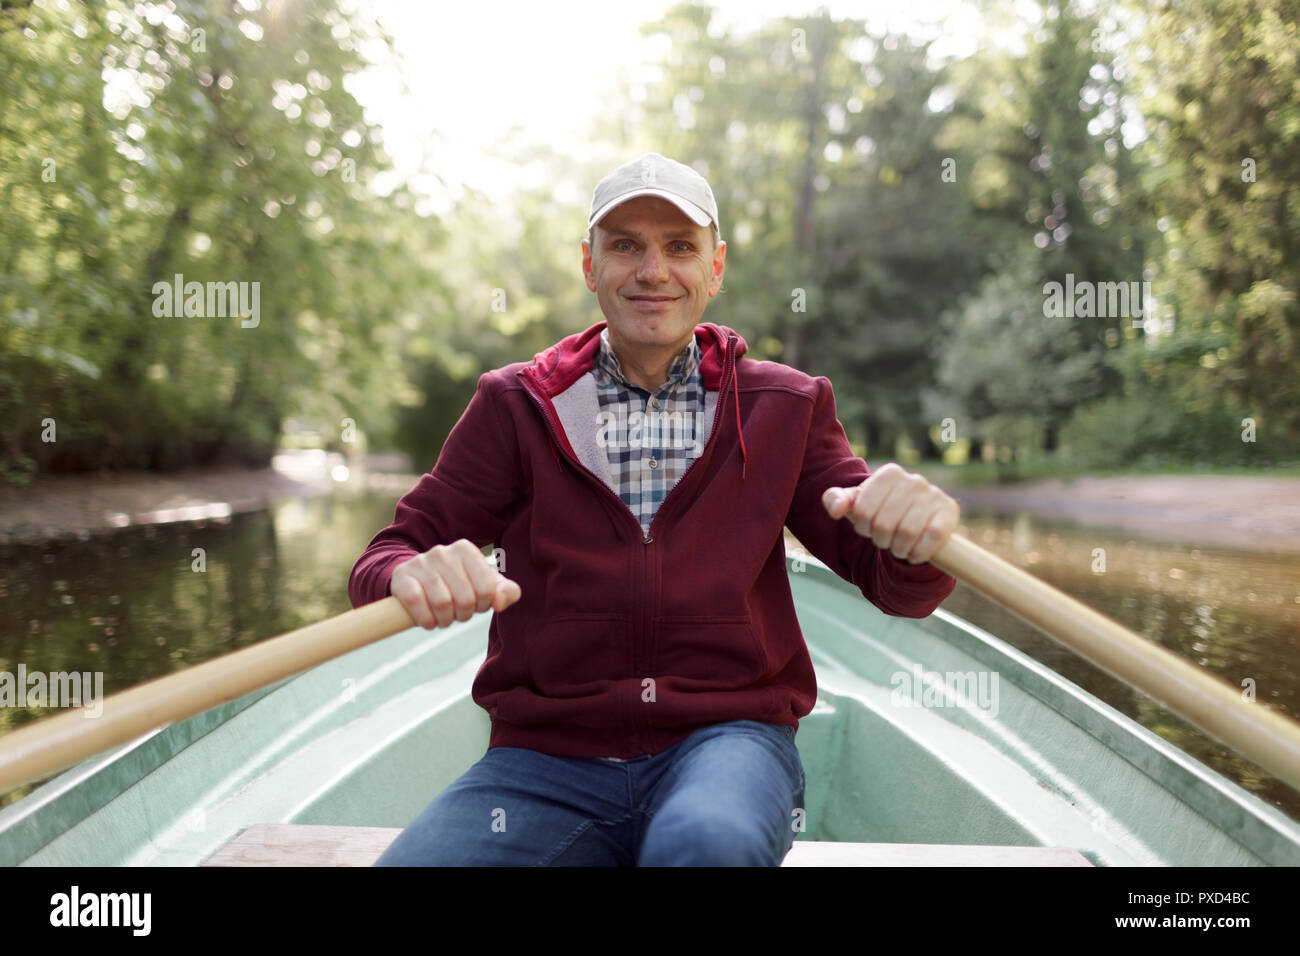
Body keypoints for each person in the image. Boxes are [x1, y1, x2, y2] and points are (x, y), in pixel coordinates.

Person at [348, 152, 960, 866]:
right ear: (590, 265)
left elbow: (894, 584)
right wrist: (408, 574)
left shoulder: (787, 407)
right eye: (626, 246)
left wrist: (917, 540)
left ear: (716, 267)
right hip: (545, 759)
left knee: (705, 844)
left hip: (729, 743)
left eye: (679, 247)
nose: (652, 271)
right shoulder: (512, 405)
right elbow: (382, 560)